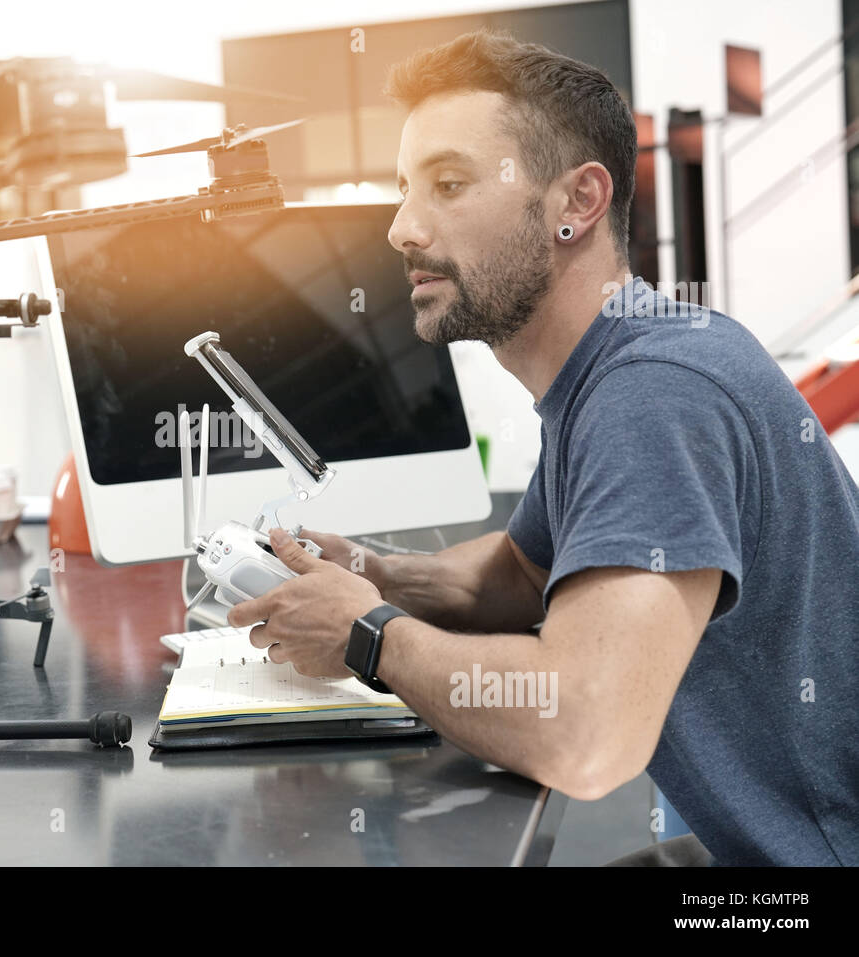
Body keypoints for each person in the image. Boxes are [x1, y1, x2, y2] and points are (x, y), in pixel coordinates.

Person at [227, 30, 859, 866]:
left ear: (577, 203)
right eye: (405, 190)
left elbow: (586, 733)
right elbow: (526, 574)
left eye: (448, 185)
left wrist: (368, 634)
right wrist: (373, 573)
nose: (402, 229)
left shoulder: (652, 395)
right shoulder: (623, 362)